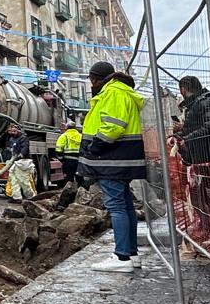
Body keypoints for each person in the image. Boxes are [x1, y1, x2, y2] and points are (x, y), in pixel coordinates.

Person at [80, 61, 147, 273]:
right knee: (125, 205)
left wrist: (94, 147)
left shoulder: (113, 92)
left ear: (98, 78)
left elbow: (112, 126)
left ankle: (122, 257)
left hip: (111, 160)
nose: (92, 84)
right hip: (121, 159)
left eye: (92, 80)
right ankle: (131, 253)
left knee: (116, 206)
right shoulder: (122, 92)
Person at [172, 76, 210, 251]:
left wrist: (187, 138)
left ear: (183, 90)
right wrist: (182, 131)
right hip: (202, 160)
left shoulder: (206, 101)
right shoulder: (198, 104)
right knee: (205, 201)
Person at [54, 116, 83, 187]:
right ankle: (81, 193)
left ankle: (69, 194)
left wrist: (62, 160)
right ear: (75, 128)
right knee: (80, 179)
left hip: (68, 162)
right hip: (79, 162)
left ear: (67, 128)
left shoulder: (64, 136)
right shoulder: (81, 136)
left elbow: (58, 149)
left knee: (69, 179)